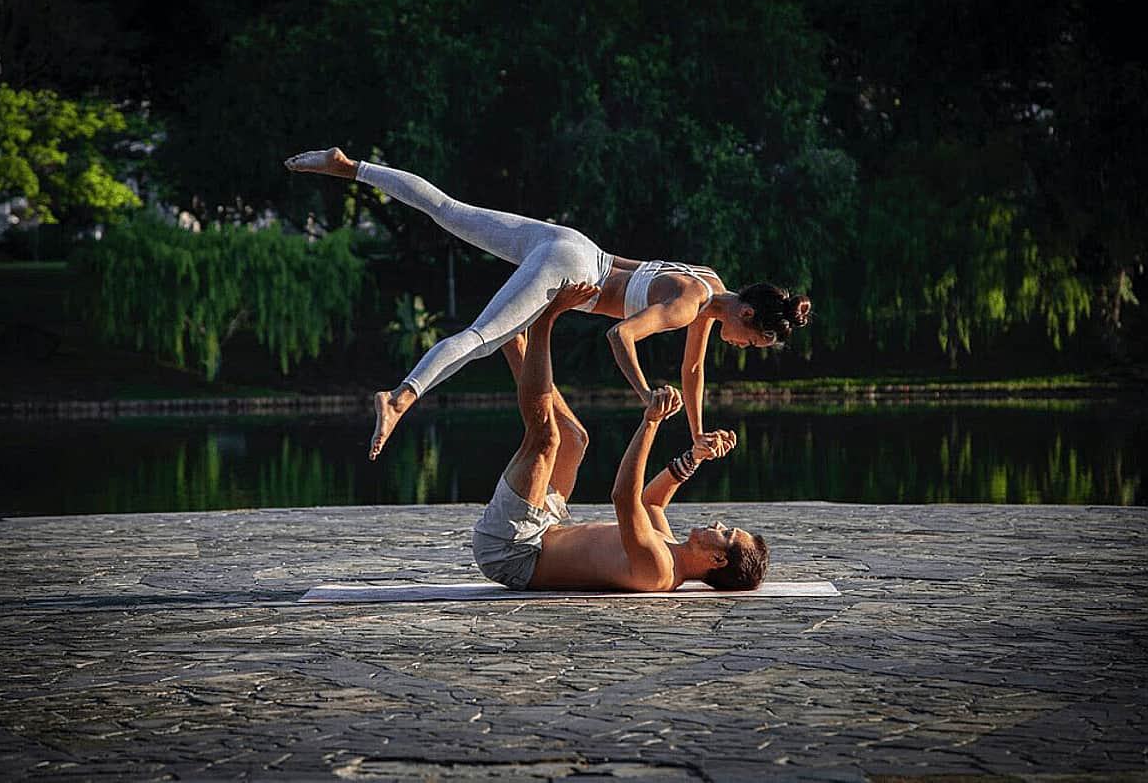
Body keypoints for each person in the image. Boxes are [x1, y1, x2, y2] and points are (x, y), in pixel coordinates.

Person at [283, 148, 811, 459]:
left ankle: (351, 166)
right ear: (747, 314)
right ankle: (399, 398)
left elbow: (693, 369)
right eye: (756, 339)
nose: (747, 346)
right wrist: (646, 392)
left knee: (449, 209)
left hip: (576, 244)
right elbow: (619, 335)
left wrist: (697, 434)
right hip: (574, 270)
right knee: (482, 338)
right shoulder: (689, 307)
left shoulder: (709, 284)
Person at [472, 280, 769, 592]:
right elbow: (651, 502)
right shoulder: (667, 546)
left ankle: (544, 320)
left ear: (717, 559)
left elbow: (625, 498)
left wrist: (651, 422)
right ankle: (512, 339)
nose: (719, 524)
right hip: (541, 531)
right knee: (574, 438)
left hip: (512, 550)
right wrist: (695, 456)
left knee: (547, 440)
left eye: (727, 533)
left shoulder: (659, 570)